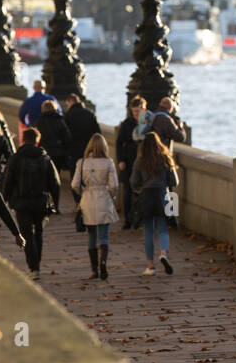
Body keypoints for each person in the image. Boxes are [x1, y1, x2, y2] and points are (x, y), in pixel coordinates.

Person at [2, 128, 61, 279]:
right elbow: (55, 183)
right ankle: (37, 263)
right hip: (40, 201)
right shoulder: (44, 158)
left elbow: (8, 181)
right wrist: (55, 203)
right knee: (38, 233)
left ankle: (33, 267)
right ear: (37, 140)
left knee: (26, 234)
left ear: (23, 139)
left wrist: (6, 198)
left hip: (21, 202)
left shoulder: (16, 158)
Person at [71, 133, 120, 280]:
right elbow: (114, 185)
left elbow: (74, 184)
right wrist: (111, 195)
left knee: (91, 235)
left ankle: (94, 270)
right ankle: (103, 261)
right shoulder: (109, 162)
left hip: (87, 199)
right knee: (103, 236)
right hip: (103, 197)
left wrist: (82, 193)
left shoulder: (82, 162)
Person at [130, 132, 177, 276]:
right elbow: (175, 181)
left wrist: (141, 187)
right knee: (163, 228)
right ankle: (163, 254)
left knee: (148, 232)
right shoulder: (165, 158)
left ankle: (150, 267)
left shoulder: (140, 160)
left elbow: (133, 182)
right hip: (163, 195)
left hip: (147, 196)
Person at [115, 96, 146, 229]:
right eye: (134, 111)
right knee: (127, 191)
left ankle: (141, 219)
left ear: (143, 109)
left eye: (138, 111)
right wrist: (121, 160)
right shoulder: (127, 123)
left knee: (143, 192)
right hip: (128, 161)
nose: (136, 114)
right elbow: (118, 142)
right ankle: (128, 220)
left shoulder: (147, 123)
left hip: (143, 162)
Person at [63, 93, 101, 165]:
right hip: (88, 148)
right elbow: (97, 132)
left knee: (75, 172)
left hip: (73, 149)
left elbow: (65, 133)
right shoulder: (90, 114)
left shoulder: (68, 115)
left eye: (67, 104)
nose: (68, 106)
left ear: (71, 101)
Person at [35, 99, 73, 172]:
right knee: (56, 174)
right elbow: (67, 137)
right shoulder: (59, 120)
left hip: (43, 152)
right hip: (57, 153)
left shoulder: (40, 121)